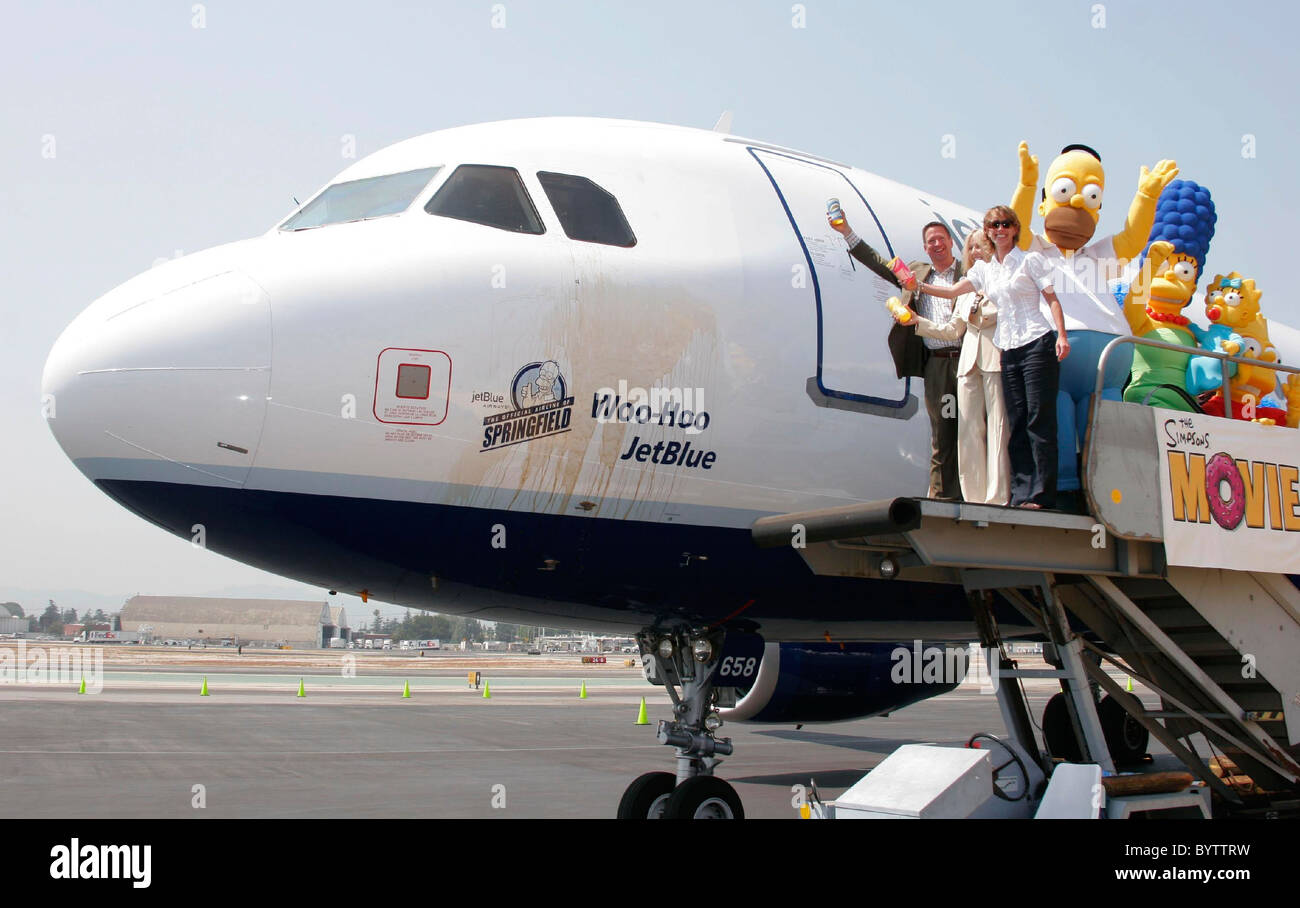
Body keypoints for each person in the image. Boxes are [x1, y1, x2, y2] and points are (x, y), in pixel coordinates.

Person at [912, 207, 1069, 509]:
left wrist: (1061, 335)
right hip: (1008, 349)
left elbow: (1052, 299)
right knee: (1018, 421)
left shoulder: (1030, 260)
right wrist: (916, 285)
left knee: (1039, 420)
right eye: (994, 225)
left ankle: (1041, 495)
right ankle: (1022, 494)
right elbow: (952, 291)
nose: (1000, 229)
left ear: (1014, 228)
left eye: (1005, 224)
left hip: (1036, 342)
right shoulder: (985, 271)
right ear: (988, 231)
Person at [829, 214, 964, 500]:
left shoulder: (969, 271)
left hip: (969, 362)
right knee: (942, 432)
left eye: (941, 239)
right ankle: (942, 496)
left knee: (975, 428)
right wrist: (846, 231)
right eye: (931, 242)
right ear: (925, 248)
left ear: (952, 242)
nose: (937, 244)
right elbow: (878, 262)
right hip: (938, 363)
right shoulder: (914, 273)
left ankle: (979, 494)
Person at [902, 229, 1009, 505]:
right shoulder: (965, 289)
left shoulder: (1003, 279)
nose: (975, 251)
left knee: (996, 429)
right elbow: (952, 330)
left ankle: (996, 497)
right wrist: (917, 322)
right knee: (968, 433)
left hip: (995, 359)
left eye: (980, 246)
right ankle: (973, 496)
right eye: (971, 247)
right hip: (968, 366)